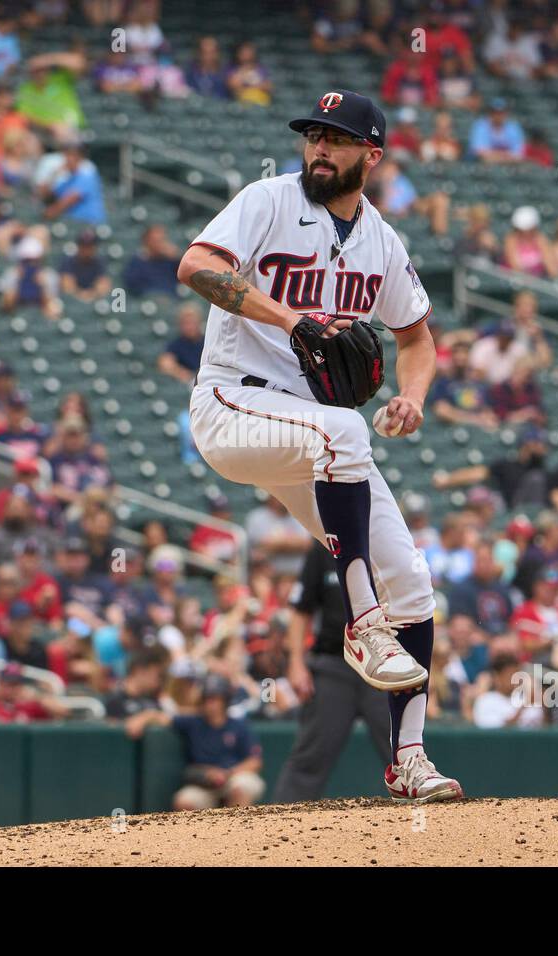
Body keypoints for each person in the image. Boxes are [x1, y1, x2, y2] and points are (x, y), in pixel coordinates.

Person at [178, 89, 462, 804]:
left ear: (372, 154)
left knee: (417, 586)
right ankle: (363, 626)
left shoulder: (382, 242)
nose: (319, 149)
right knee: (345, 430)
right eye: (312, 135)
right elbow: (196, 265)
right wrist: (292, 318)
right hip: (231, 407)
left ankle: (409, 759)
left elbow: (417, 338)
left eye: (335, 138)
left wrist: (414, 395)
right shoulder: (269, 200)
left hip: (312, 440)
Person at [273, 542, 390, 802]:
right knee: (311, 755)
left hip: (383, 665)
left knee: (404, 753)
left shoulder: (388, 543)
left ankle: (427, 828)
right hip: (334, 665)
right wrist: (296, 662)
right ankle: (284, 826)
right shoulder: (322, 550)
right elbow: (301, 609)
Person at [167, 676, 266, 810]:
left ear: (225, 701)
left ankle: (237, 829)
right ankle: (201, 832)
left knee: (242, 786)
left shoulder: (238, 725)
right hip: (204, 783)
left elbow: (255, 762)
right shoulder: (193, 722)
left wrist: (227, 773)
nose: (210, 704)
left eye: (214, 699)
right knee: (184, 801)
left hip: (232, 777)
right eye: (206, 700)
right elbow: (163, 718)